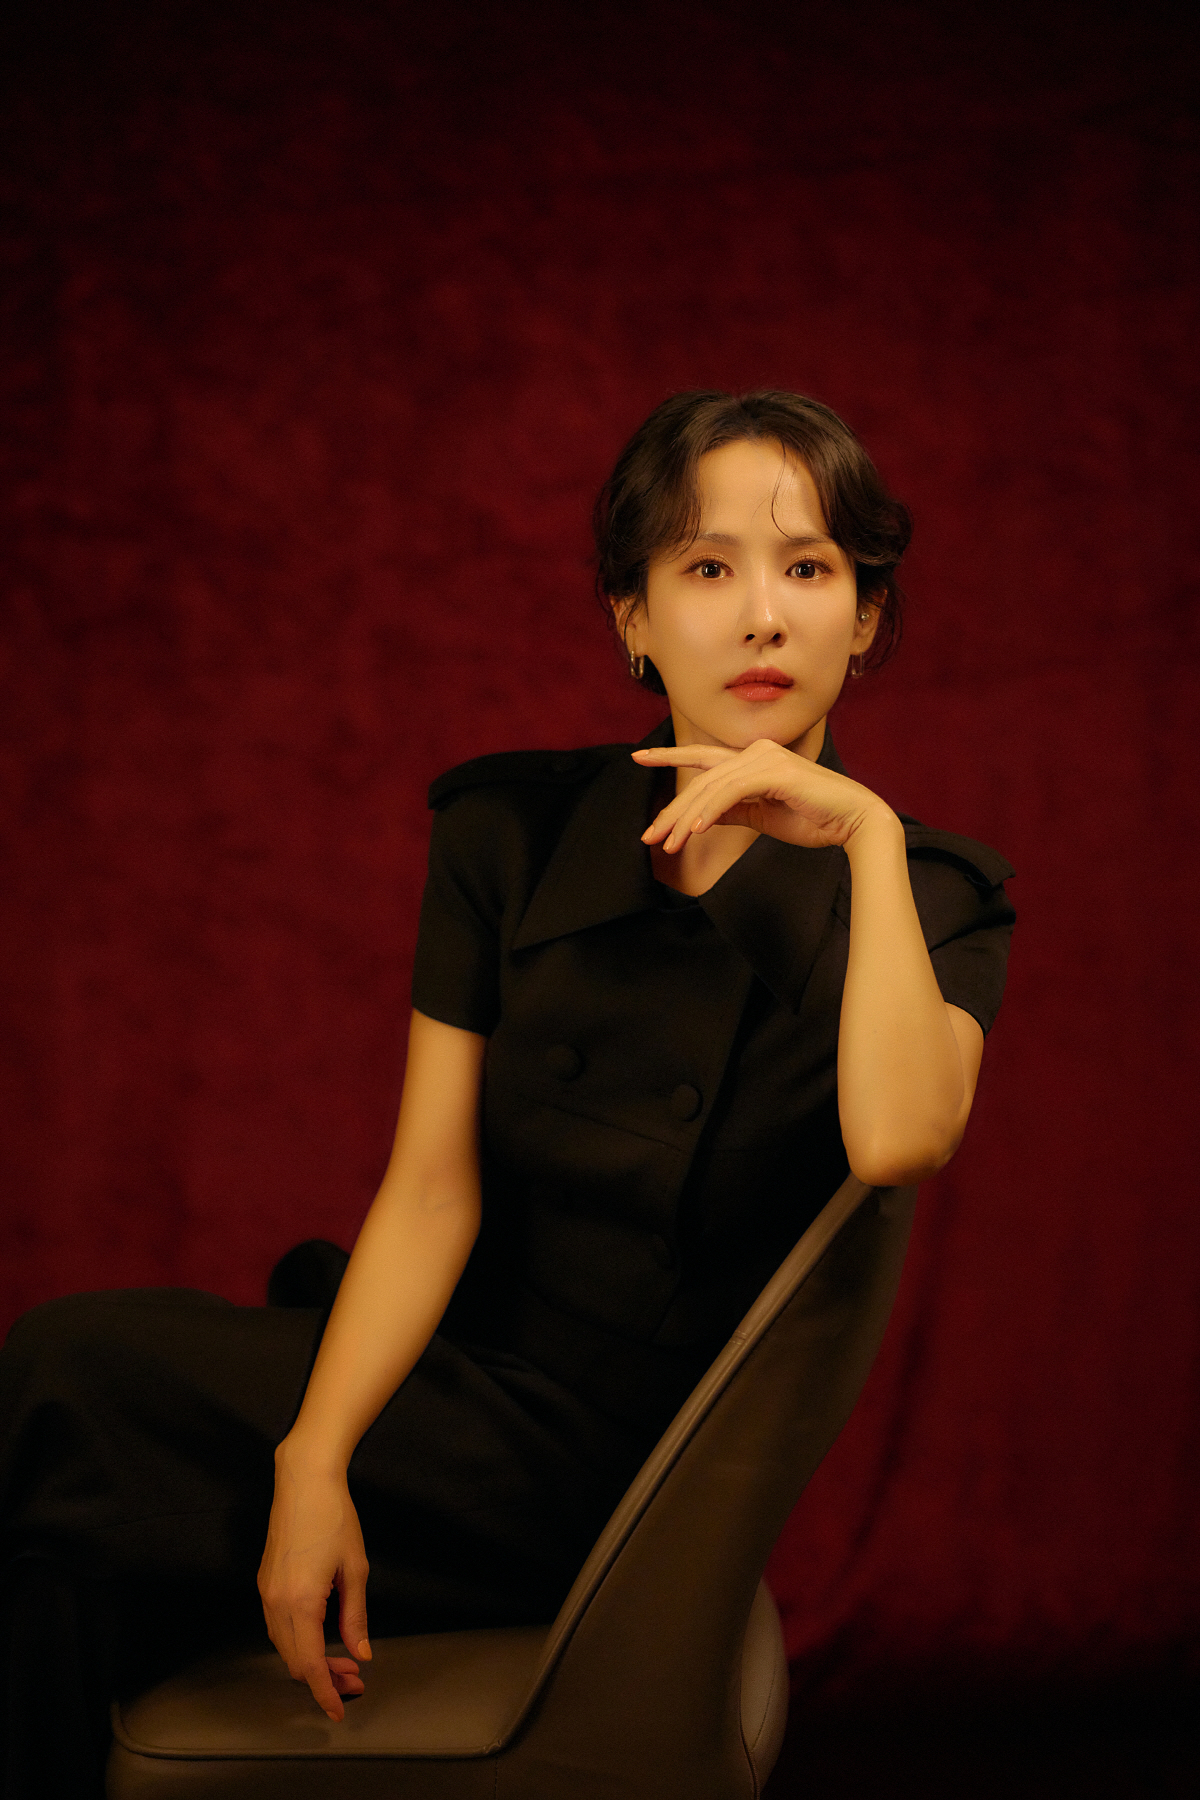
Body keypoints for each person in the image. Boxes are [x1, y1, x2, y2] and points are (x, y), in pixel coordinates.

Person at [0, 389, 1014, 1793]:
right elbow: (432, 1189)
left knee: (62, 1390)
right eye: (706, 568)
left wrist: (871, 843)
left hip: (622, 1483)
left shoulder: (934, 893)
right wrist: (314, 1459)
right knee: (80, 1498)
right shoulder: (511, 829)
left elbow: (902, 1139)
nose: (762, 618)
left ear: (867, 616)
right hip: (454, 1396)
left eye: (809, 568)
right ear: (633, 618)